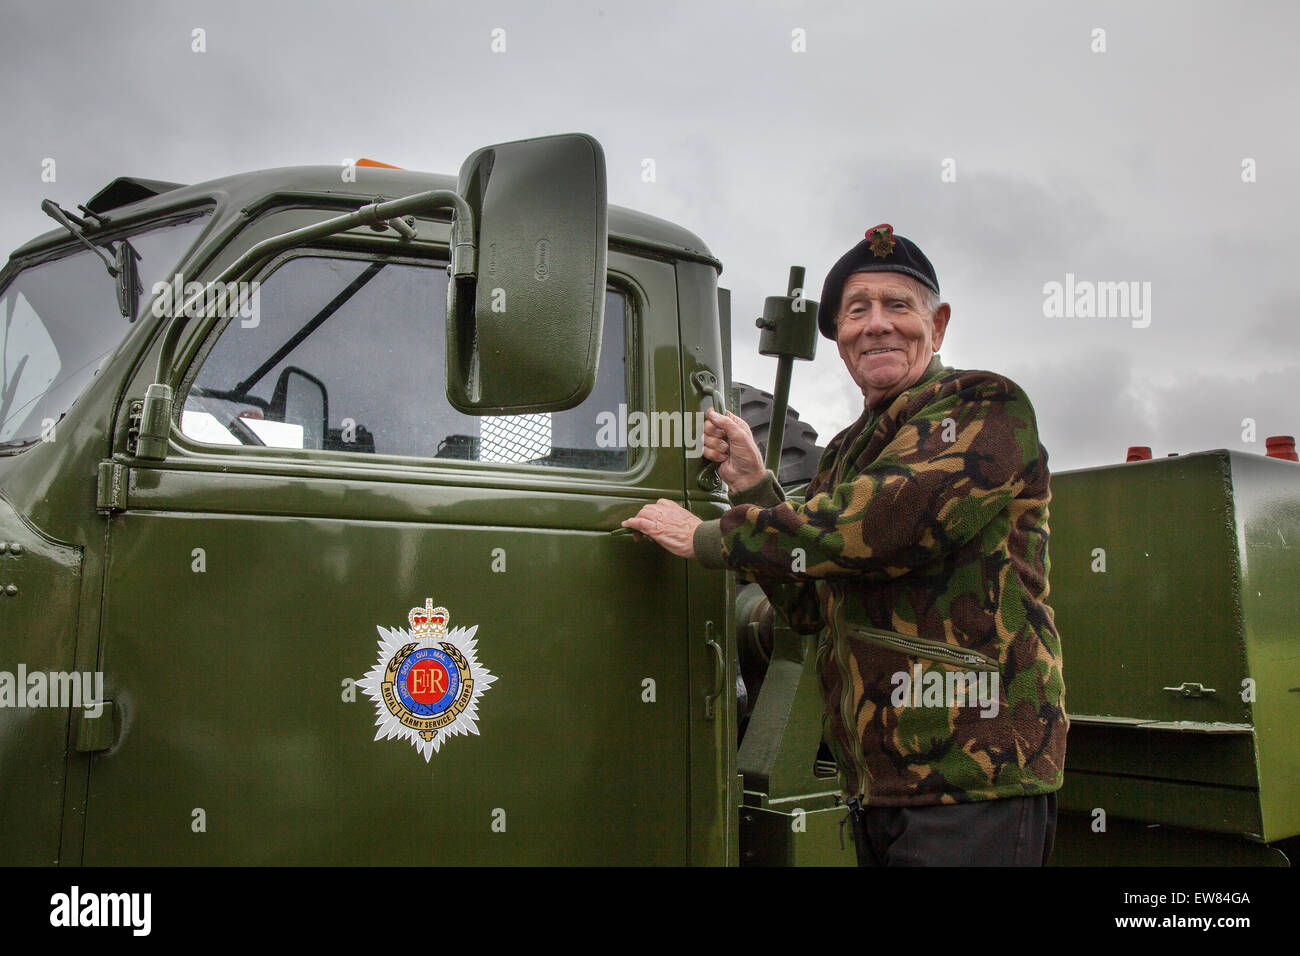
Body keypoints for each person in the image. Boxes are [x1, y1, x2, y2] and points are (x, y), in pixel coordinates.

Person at [622, 224, 1068, 866]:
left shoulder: (981, 406)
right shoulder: (847, 454)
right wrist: (754, 487)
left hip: (975, 777)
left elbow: (882, 527)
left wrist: (713, 535)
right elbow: (808, 609)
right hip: (883, 781)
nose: (877, 325)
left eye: (898, 306)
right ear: (839, 341)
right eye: (857, 311)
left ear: (937, 326)